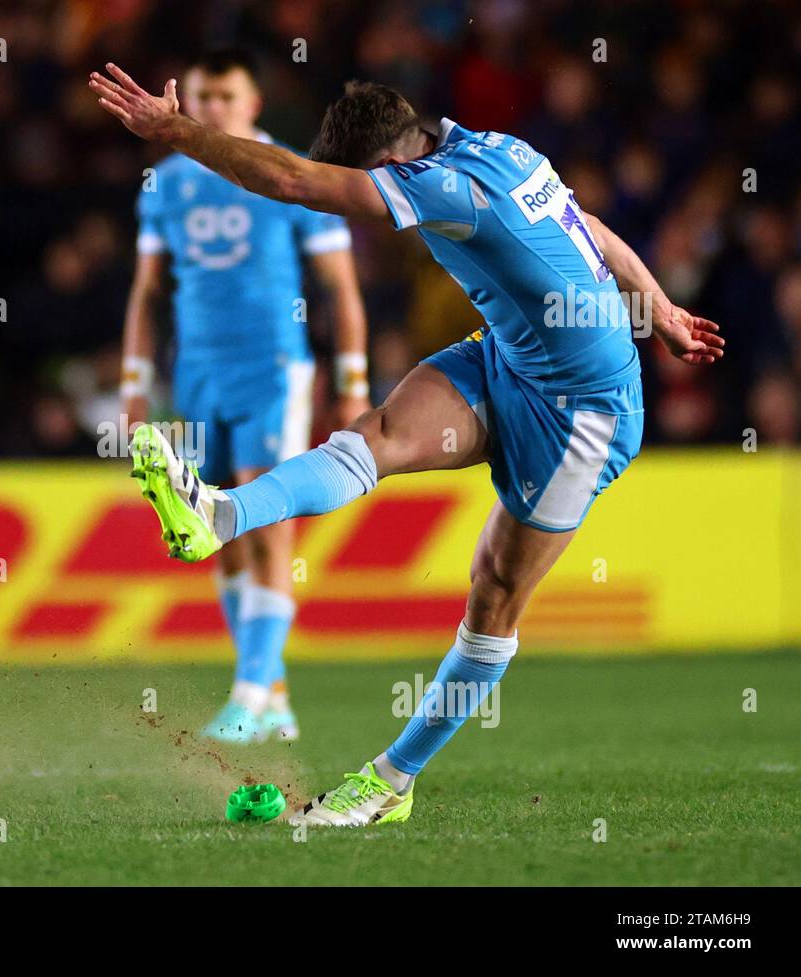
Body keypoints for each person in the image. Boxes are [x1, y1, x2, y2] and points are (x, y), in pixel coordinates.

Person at [92, 65, 724, 826]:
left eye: (368, 198)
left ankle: (392, 780)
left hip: (583, 414)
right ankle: (220, 514)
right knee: (380, 434)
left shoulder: (438, 185)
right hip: (508, 360)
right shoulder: (503, 149)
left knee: (494, 595)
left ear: (391, 167)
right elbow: (586, 226)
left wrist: (180, 132)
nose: (373, 224)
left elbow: (296, 183)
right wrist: (660, 307)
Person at [120, 50, 368, 744]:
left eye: (229, 95)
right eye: (204, 96)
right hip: (196, 372)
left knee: (263, 520)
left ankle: (250, 693)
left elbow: (342, 290)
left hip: (273, 369)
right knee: (213, 530)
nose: (217, 108)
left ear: (254, 102)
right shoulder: (165, 183)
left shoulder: (291, 174)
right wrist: (135, 383)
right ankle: (274, 697)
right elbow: (146, 292)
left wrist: (351, 380)